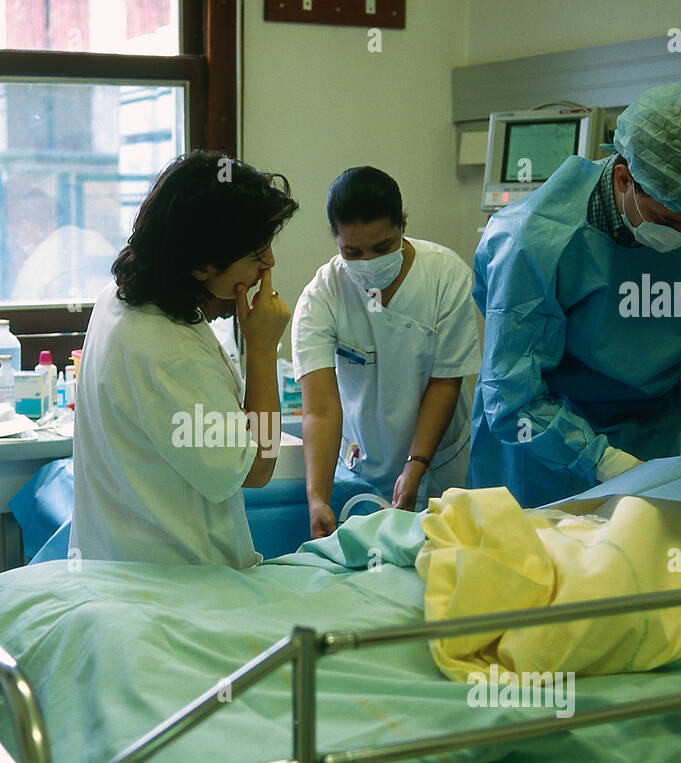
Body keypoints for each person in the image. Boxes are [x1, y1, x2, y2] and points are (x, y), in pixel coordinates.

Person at [468, 83, 681, 508]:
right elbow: (514, 396)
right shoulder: (533, 242)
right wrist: (604, 462)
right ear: (624, 178)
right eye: (668, 219)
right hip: (542, 457)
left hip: (650, 440)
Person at [70, 151, 296, 568]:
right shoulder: (169, 352)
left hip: (125, 569)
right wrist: (262, 351)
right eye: (257, 252)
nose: (270, 263)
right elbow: (257, 469)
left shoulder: (119, 300)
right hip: (181, 588)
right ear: (202, 265)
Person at [292, 167, 481, 537]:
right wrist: (317, 499)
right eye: (352, 251)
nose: (368, 262)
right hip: (364, 462)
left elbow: (445, 382)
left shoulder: (446, 275)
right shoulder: (322, 297)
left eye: (382, 248)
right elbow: (320, 408)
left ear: (403, 225)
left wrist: (417, 464)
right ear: (335, 240)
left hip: (441, 458)